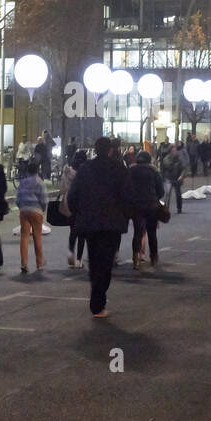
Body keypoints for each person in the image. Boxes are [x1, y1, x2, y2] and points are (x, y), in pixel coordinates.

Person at [67, 136, 129, 318]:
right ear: (110, 149)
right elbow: (127, 194)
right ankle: (99, 300)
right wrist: (124, 215)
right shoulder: (119, 169)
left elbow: (73, 195)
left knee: (94, 259)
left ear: (95, 149)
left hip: (90, 222)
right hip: (112, 223)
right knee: (107, 261)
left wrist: (78, 212)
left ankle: (96, 297)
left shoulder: (86, 169)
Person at [125, 150, 165, 268]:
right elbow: (161, 191)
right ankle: (153, 257)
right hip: (151, 205)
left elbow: (126, 188)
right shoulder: (154, 172)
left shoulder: (130, 171)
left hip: (137, 206)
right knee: (152, 232)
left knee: (138, 232)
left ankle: (136, 258)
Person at [16, 160, 48, 273]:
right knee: (37, 237)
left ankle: (24, 263)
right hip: (36, 211)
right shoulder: (40, 182)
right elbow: (44, 199)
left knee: (24, 237)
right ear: (37, 170)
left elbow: (18, 198)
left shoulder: (23, 182)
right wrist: (42, 210)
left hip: (24, 211)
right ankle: (39, 263)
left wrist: (21, 207)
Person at [60, 149, 87, 268]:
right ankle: (79, 259)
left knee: (73, 231)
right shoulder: (84, 173)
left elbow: (62, 188)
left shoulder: (67, 171)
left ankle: (70, 255)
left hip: (69, 203)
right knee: (82, 234)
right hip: (82, 204)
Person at [160, 143, 186, 214]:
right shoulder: (166, 159)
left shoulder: (179, 158)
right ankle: (166, 209)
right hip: (168, 178)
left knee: (178, 194)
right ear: (170, 150)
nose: (175, 151)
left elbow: (183, 168)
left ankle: (179, 208)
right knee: (167, 194)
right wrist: (163, 178)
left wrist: (181, 175)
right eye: (173, 149)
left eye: (175, 149)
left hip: (177, 178)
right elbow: (165, 168)